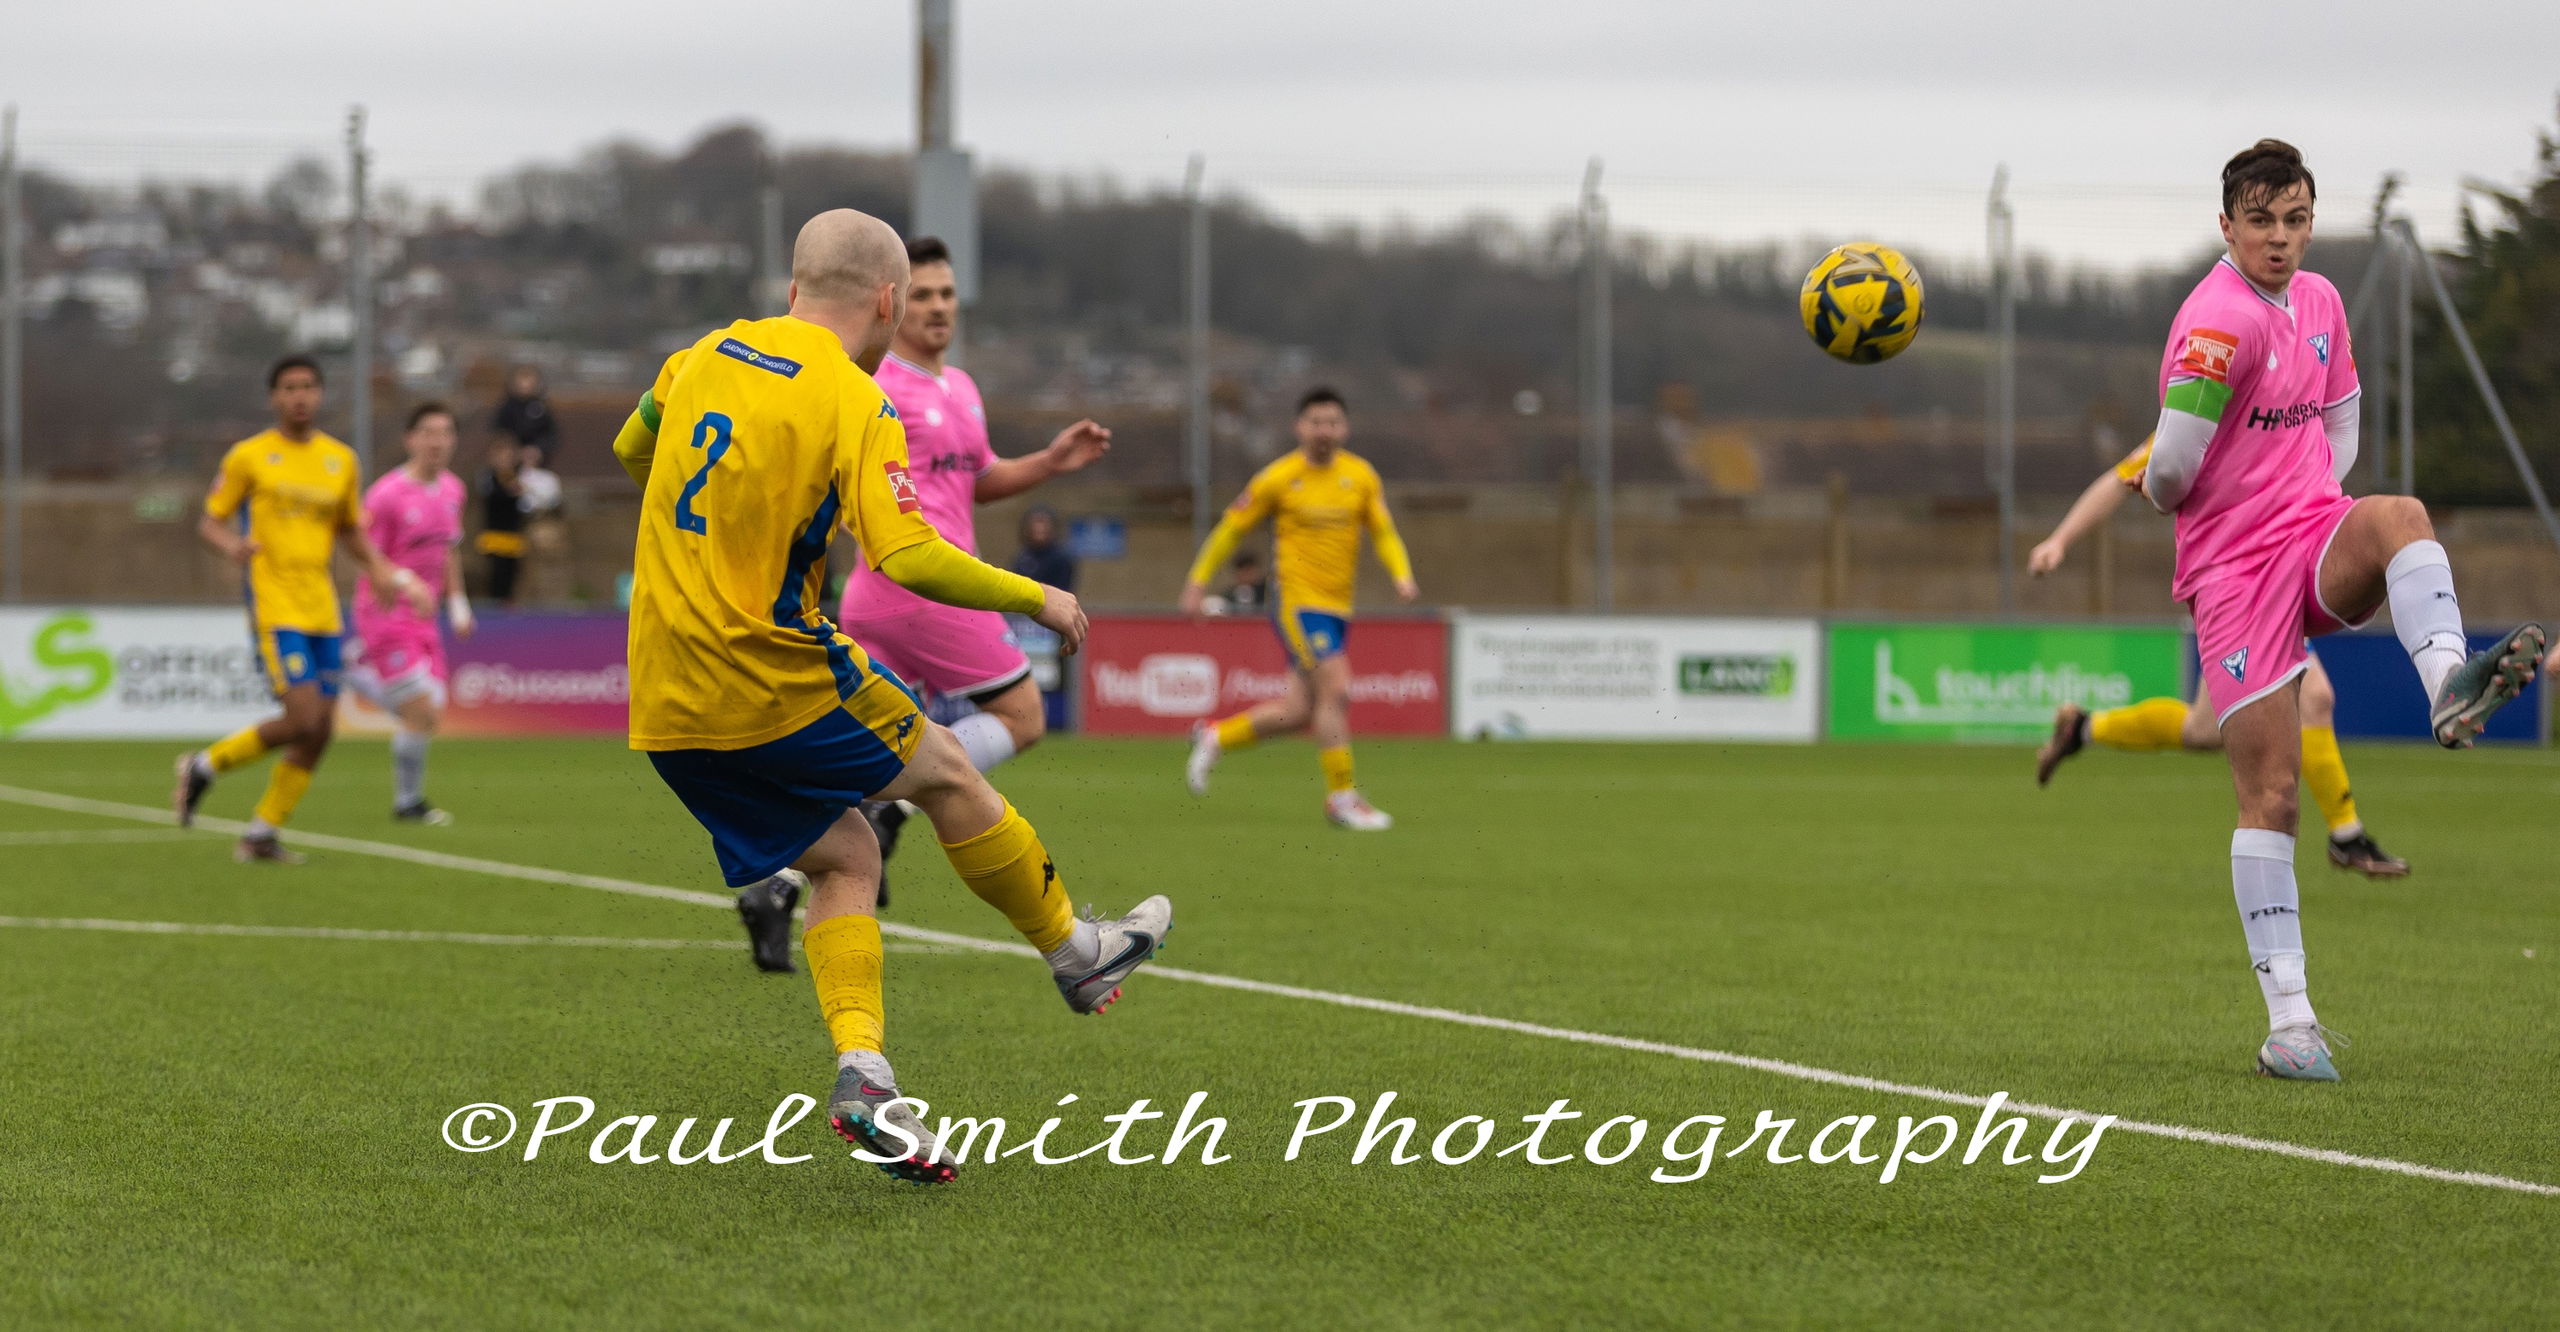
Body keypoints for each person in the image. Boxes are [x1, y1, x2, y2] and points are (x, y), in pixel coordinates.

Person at [607, 208, 1171, 1184]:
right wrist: (1034, 593)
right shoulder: (854, 400)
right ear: (887, 300)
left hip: (663, 698)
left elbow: (632, 452)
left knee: (849, 853)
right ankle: (1077, 954)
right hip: (770, 672)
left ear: (792, 288)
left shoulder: (695, 356)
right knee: (951, 770)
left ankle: (864, 1076)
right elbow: (904, 553)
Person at [2133, 140, 2541, 1083]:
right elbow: (2171, 471)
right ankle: (2290, 1025)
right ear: (2227, 224)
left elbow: (2343, 420)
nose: (2282, 238)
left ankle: (2449, 683)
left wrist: (2306, 493)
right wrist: (2184, 497)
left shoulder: (2319, 303)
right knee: (2271, 795)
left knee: (2399, 516)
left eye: (2297, 219)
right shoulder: (2212, 325)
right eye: (2263, 221)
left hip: (2308, 537)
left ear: (2312, 220)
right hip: (2233, 576)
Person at [834, 236, 1111, 897]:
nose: (938, 307)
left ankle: (780, 885)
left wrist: (1049, 461)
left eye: (947, 294)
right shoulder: (876, 383)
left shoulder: (958, 385)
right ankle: (895, 808)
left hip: (879, 596)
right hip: (930, 587)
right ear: (892, 303)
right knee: (1022, 715)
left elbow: (977, 477)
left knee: (875, 752)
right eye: (922, 295)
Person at [2028, 435, 2407, 877]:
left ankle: (2083, 728)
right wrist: (2059, 540)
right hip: (2232, 591)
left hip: (2269, 582)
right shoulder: (2193, 419)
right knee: (2314, 697)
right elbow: (2116, 481)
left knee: (2203, 729)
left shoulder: (2273, 409)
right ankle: (2347, 836)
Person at [173, 356, 433, 861]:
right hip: (275, 606)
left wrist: (379, 569)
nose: (300, 396)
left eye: (309, 387)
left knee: (321, 730)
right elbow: (210, 521)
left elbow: (350, 530)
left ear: (320, 394)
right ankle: (203, 766)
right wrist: (231, 546)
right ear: (274, 397)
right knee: (301, 716)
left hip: (323, 610)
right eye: (290, 387)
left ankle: (262, 832)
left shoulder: (340, 460)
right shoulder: (250, 456)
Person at [1180, 387, 1417, 829]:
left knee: (1301, 711)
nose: (1324, 430)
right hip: (1296, 601)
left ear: (1344, 428)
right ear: (1299, 427)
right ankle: (1341, 798)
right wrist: (1198, 580)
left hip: (1338, 607)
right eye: (1316, 421)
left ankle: (1216, 736)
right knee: (1339, 689)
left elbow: (1384, 531)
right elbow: (1230, 531)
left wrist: (1401, 572)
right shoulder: (1278, 478)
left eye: (1332, 422)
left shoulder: (1361, 476)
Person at [346, 402, 475, 824]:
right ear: (410, 439)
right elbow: (364, 554)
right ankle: (408, 803)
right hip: (384, 610)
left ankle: (350, 672)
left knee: (430, 709)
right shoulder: (386, 495)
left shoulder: (454, 489)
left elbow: (449, 552)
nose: (437, 441)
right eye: (428, 432)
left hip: (426, 615)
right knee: (420, 706)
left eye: (444, 433)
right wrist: (404, 582)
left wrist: (457, 604)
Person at [474, 433, 528, 605]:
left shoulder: (516, 476)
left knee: (511, 575)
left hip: (513, 534)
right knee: (496, 573)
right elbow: (491, 497)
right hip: (494, 535)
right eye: (501, 456)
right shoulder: (488, 477)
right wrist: (509, 492)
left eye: (508, 456)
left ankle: (508, 604)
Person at [493, 365, 560, 469]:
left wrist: (538, 448)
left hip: (537, 462)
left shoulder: (541, 407)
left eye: (528, 379)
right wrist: (512, 450)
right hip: (510, 460)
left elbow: (551, 434)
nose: (524, 384)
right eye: (522, 378)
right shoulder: (506, 407)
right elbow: (498, 431)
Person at [1009, 505, 1077, 592]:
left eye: (1043, 522)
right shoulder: (1022, 557)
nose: (1039, 527)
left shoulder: (1061, 559)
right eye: (1036, 522)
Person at [1222, 549, 1269, 615]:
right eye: (1243, 571)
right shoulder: (1229, 595)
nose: (1247, 575)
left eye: (1249, 570)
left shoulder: (1267, 593)